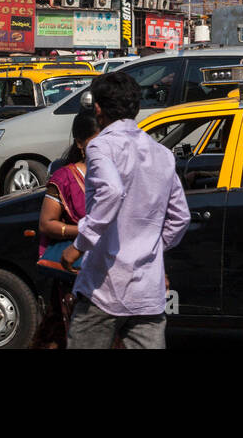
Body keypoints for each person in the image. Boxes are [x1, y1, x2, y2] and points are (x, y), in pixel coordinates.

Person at [61, 71, 190, 349]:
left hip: (104, 285)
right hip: (146, 289)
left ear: (97, 108)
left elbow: (111, 190)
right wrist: (152, 248)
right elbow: (180, 218)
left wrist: (80, 243)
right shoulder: (162, 154)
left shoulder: (101, 146)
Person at [31, 109, 99, 348]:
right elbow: (46, 223)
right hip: (76, 270)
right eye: (95, 142)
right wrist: (82, 230)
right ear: (80, 143)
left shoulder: (116, 173)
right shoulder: (64, 178)